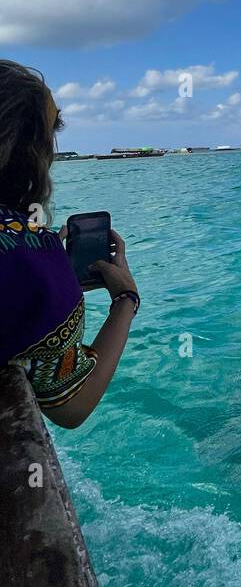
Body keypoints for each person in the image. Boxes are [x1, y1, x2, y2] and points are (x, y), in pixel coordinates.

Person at [0, 61, 139, 429]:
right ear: (29, 148)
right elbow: (71, 406)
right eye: (52, 129)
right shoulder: (29, 257)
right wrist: (125, 300)